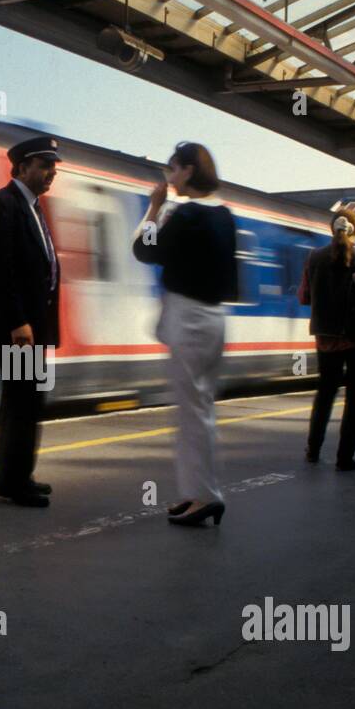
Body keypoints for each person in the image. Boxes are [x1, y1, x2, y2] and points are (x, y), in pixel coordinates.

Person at [133, 142, 237, 527]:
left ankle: (206, 496)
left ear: (189, 171)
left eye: (172, 169)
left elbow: (144, 251)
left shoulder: (188, 214)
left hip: (188, 318)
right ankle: (196, 493)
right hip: (214, 319)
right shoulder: (225, 216)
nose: (168, 177)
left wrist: (154, 208)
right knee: (200, 408)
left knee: (192, 413)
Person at [0, 135, 62, 508]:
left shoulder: (34, 209)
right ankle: (14, 481)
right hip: (18, 328)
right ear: (22, 167)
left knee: (26, 400)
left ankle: (14, 476)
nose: (51, 173)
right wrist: (17, 321)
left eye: (54, 168)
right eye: (44, 166)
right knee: (23, 402)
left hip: (32, 325)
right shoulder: (0, 205)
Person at [300, 209, 355, 471]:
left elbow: (304, 297)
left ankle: (313, 450)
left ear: (332, 229)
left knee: (325, 394)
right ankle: (344, 458)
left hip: (325, 337)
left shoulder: (314, 257)